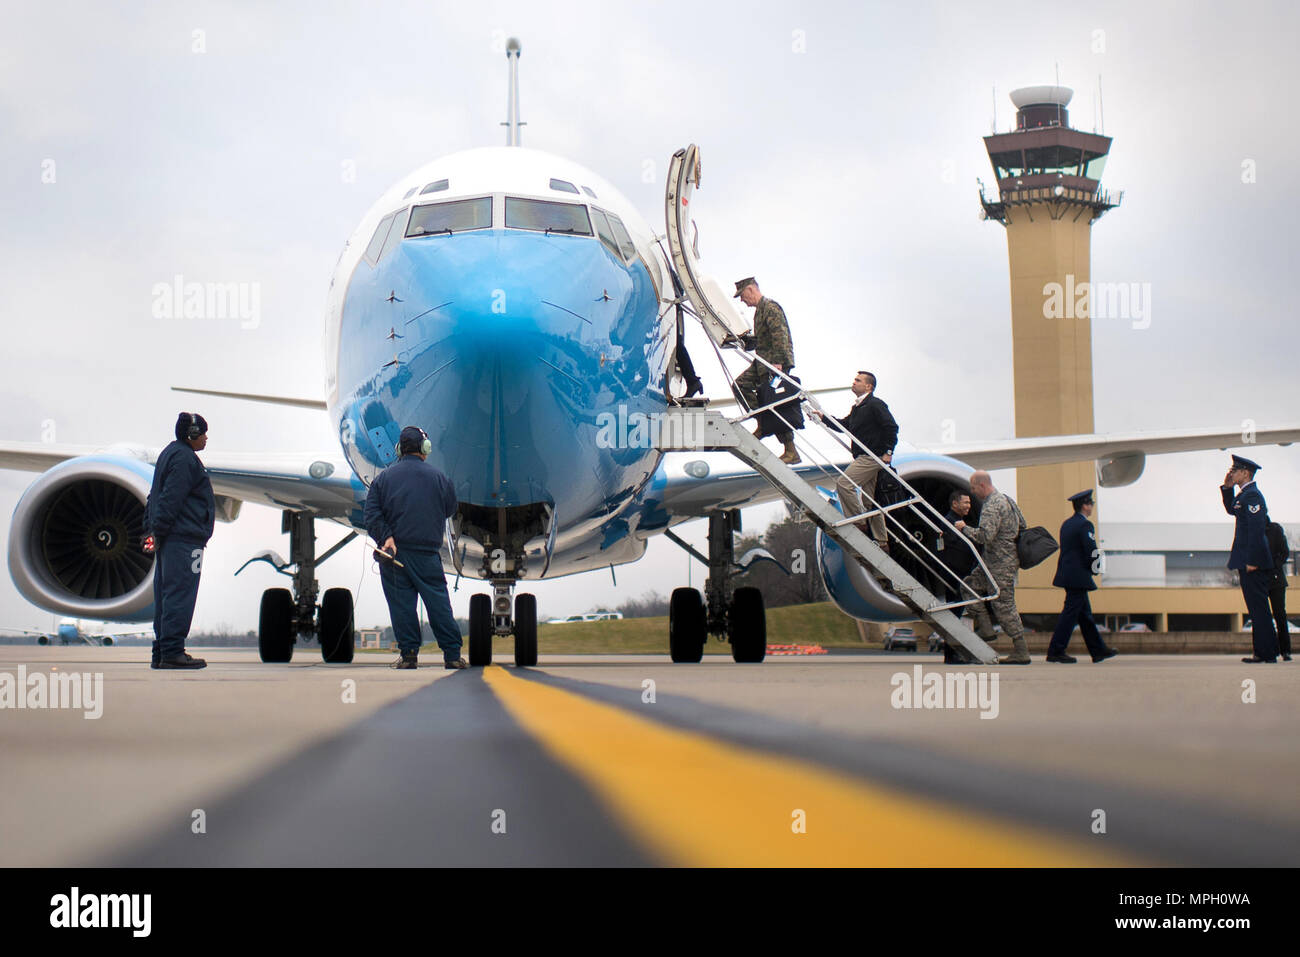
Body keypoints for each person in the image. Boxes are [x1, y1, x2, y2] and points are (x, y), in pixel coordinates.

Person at [365, 426, 467, 670]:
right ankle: (452, 656)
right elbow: (450, 509)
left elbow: (371, 515)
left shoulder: (383, 479)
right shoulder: (440, 478)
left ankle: (409, 656)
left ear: (399, 449)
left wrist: (386, 537)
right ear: (425, 449)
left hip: (395, 554)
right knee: (438, 604)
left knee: (402, 606)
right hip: (427, 554)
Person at [143, 412, 215, 670]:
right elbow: (171, 499)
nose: (207, 438)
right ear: (192, 434)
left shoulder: (169, 454)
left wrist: (151, 530)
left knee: (165, 594)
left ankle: (161, 652)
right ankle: (173, 652)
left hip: (170, 539)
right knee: (180, 594)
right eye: (203, 433)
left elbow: (154, 496)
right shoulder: (185, 459)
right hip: (183, 540)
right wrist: (159, 530)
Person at [812, 371, 898, 551]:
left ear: (869, 386)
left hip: (872, 456)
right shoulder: (858, 408)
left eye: (858, 380)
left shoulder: (875, 404)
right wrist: (823, 418)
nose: (854, 383)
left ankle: (859, 523)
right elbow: (845, 426)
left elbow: (891, 427)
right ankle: (882, 542)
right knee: (869, 501)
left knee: (844, 484)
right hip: (864, 456)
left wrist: (888, 451)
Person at [954, 470, 1030, 664]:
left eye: (973, 488)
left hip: (1000, 565)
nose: (972, 493)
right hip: (996, 561)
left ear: (982, 485)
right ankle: (987, 630)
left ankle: (1021, 650)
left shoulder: (992, 506)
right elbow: (1023, 524)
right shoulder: (1007, 500)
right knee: (969, 585)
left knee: (1004, 605)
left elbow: (984, 536)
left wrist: (964, 528)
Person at [1045, 489, 1118, 664]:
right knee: (1070, 615)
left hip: (1068, 573)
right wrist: (1096, 569)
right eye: (1090, 503)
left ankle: (1098, 650)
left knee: (1085, 616)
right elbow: (1091, 549)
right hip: (1078, 576)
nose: (1092, 506)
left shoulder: (1067, 524)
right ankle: (1056, 650)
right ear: (1085, 506)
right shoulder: (1085, 525)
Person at [732, 277, 799, 464]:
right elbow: (764, 338)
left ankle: (790, 450)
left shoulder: (770, 307)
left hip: (773, 363)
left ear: (751, 290)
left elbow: (780, 335)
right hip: (762, 361)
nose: (742, 301)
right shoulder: (759, 311)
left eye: (743, 295)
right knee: (740, 386)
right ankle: (762, 421)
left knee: (776, 404)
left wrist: (778, 362)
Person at [1221, 455, 1279, 663]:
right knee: (1256, 609)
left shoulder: (1253, 496)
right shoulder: (1244, 495)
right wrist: (1227, 488)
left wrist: (1253, 560)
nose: (1232, 473)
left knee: (1259, 608)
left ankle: (1267, 653)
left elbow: (1256, 530)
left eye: (1235, 471)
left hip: (1253, 561)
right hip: (1246, 559)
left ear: (1246, 473)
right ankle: (1264, 652)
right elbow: (1232, 510)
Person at [937, 490, 980, 663]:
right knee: (954, 614)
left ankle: (952, 652)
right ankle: (950, 653)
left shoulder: (960, 522)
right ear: (955, 503)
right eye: (965, 503)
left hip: (960, 573)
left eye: (970, 503)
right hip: (954, 574)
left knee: (956, 613)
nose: (968, 506)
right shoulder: (949, 523)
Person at [1265, 520, 1292, 661]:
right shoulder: (1251, 529)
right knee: (1263, 617)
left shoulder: (1275, 529)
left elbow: (1284, 552)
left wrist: (1274, 565)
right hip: (1260, 578)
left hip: (1276, 578)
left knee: (1280, 615)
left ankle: (1285, 650)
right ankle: (1269, 649)